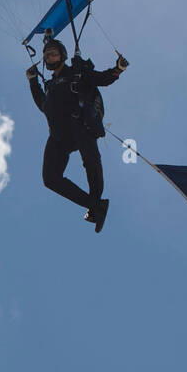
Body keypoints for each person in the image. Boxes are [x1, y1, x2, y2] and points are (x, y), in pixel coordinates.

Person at [28, 38, 127, 232]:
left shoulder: (76, 73)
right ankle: (95, 205)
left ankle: (96, 203)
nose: (50, 57)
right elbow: (43, 105)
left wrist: (118, 69)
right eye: (47, 55)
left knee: (91, 162)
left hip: (79, 125)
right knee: (50, 179)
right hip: (59, 136)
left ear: (63, 56)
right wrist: (33, 81)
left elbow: (101, 79)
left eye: (54, 53)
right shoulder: (51, 85)